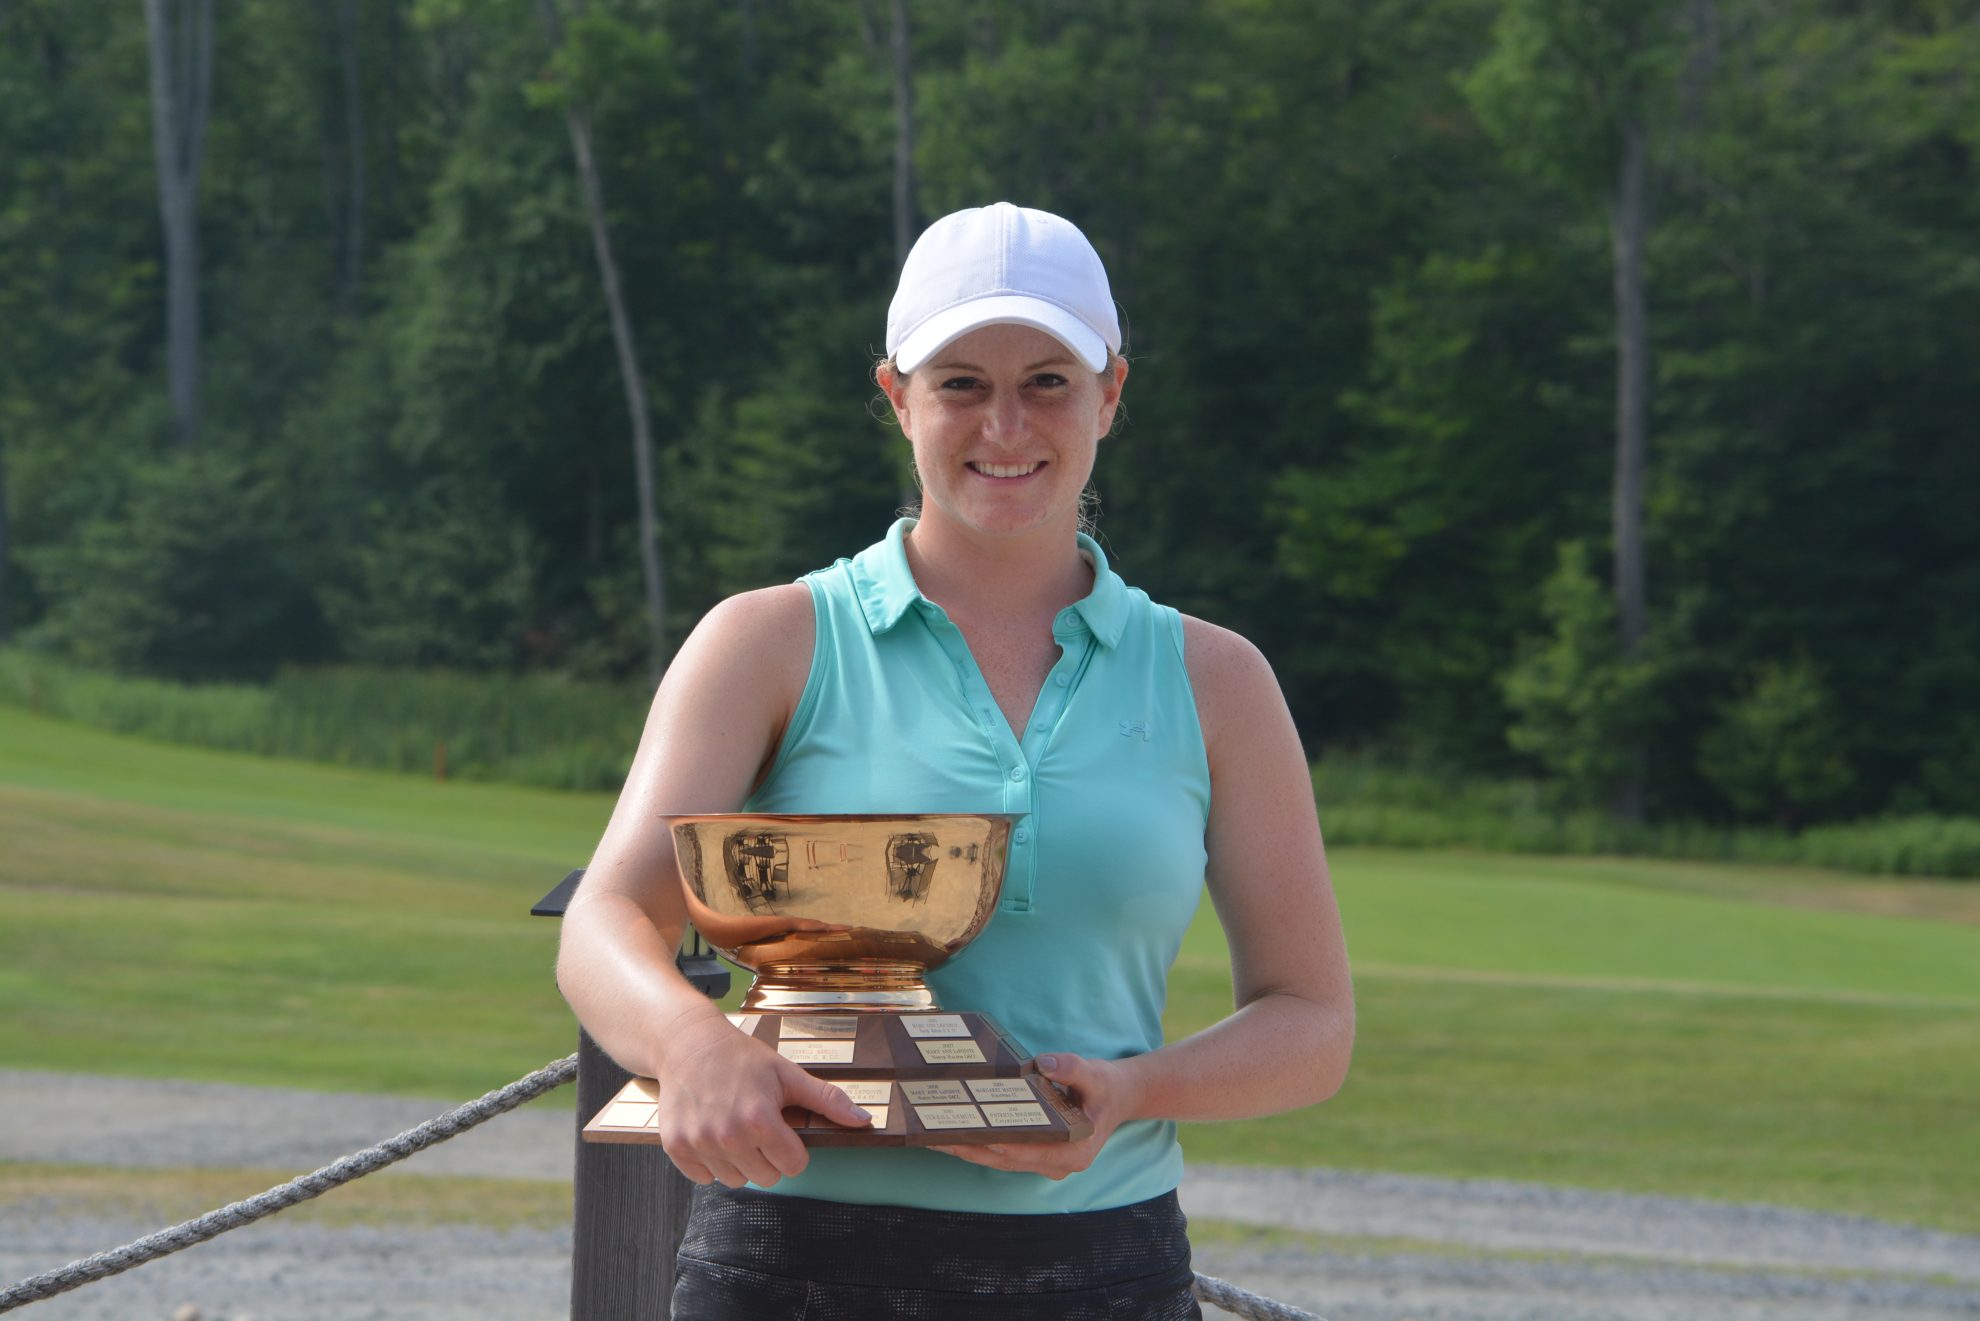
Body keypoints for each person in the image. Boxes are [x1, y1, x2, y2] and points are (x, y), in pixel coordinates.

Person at [556, 202, 1354, 1320]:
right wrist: (691, 1044)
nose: (1006, 425)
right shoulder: (770, 640)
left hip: (1103, 1271)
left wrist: (1132, 1090)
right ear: (897, 397)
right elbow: (605, 923)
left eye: (1048, 381)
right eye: (961, 383)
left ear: (1111, 395)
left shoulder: (1217, 680)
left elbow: (1312, 1023)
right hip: (789, 1263)